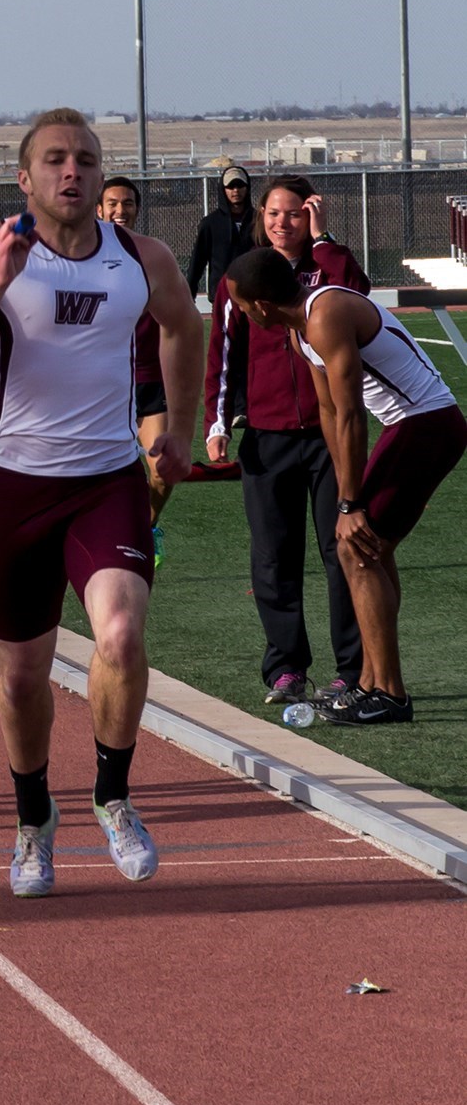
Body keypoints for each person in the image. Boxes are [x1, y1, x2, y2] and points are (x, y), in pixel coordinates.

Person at [0, 108, 203, 898]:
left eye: (84, 158)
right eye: (54, 160)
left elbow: (185, 326)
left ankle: (113, 795)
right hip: (14, 488)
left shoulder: (140, 257)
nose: (71, 171)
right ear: (26, 177)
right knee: (22, 678)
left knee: (120, 635)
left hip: (107, 483)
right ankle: (33, 817)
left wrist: (179, 429)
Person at [225, 248, 467, 724]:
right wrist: (344, 496)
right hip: (410, 426)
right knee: (367, 547)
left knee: (356, 549)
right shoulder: (301, 333)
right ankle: (370, 684)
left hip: (426, 424)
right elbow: (329, 415)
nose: (243, 314)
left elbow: (353, 413)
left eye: (241, 305)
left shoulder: (326, 314)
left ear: (261, 306)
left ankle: (389, 693)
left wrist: (351, 502)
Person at [205, 174, 367, 708]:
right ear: (261, 218)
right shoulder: (244, 278)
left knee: (341, 550)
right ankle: (286, 668)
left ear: (311, 215)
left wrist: (324, 241)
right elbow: (221, 358)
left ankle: (352, 670)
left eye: (295, 213)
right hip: (267, 439)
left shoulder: (327, 270)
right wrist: (218, 423)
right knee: (273, 557)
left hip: (329, 438)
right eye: (273, 213)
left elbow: (356, 293)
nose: (282, 222)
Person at [98, 175, 179, 568]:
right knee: (104, 474)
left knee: (162, 471)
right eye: (112, 203)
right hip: (106, 384)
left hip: (150, 382)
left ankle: (148, 527)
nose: (120, 210)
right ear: (99, 209)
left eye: (127, 203)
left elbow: (179, 323)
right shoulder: (85, 257)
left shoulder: (153, 257)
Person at [186, 164, 255, 300]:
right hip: (222, 297)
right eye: (230, 186)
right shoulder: (210, 223)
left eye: (240, 185)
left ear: (247, 188)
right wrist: (189, 296)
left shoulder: (259, 221)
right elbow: (197, 262)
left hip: (253, 295)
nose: (236, 190)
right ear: (223, 190)